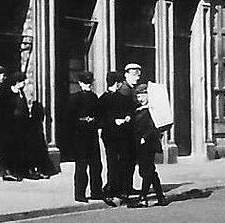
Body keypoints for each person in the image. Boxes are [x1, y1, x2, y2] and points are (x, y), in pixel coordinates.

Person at [123, 63, 169, 207]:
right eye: (138, 96)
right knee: (150, 171)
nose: (140, 98)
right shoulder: (140, 109)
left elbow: (153, 128)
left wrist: (144, 138)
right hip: (143, 144)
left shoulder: (150, 111)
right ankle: (161, 197)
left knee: (145, 171)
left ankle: (143, 198)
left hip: (147, 143)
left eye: (143, 95)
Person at [60, 71, 103, 203]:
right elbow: (68, 119)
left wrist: (94, 120)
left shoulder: (94, 97)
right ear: (80, 83)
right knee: (81, 165)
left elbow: (100, 114)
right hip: (80, 135)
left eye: (89, 83)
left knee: (96, 164)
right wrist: (82, 122)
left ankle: (96, 191)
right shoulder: (74, 98)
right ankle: (80, 193)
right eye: (85, 83)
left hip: (92, 134)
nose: (87, 85)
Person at [99, 70, 137, 204]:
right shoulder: (103, 99)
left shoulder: (122, 98)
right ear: (117, 83)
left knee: (122, 162)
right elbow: (100, 119)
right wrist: (114, 121)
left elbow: (131, 110)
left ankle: (122, 188)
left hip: (122, 135)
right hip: (110, 135)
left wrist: (128, 117)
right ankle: (111, 189)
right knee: (112, 162)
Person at [12, 73, 57, 179]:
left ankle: (31, 170)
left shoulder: (21, 93)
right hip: (16, 126)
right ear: (17, 82)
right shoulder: (12, 95)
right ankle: (23, 171)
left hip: (25, 126)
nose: (24, 84)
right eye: (23, 82)